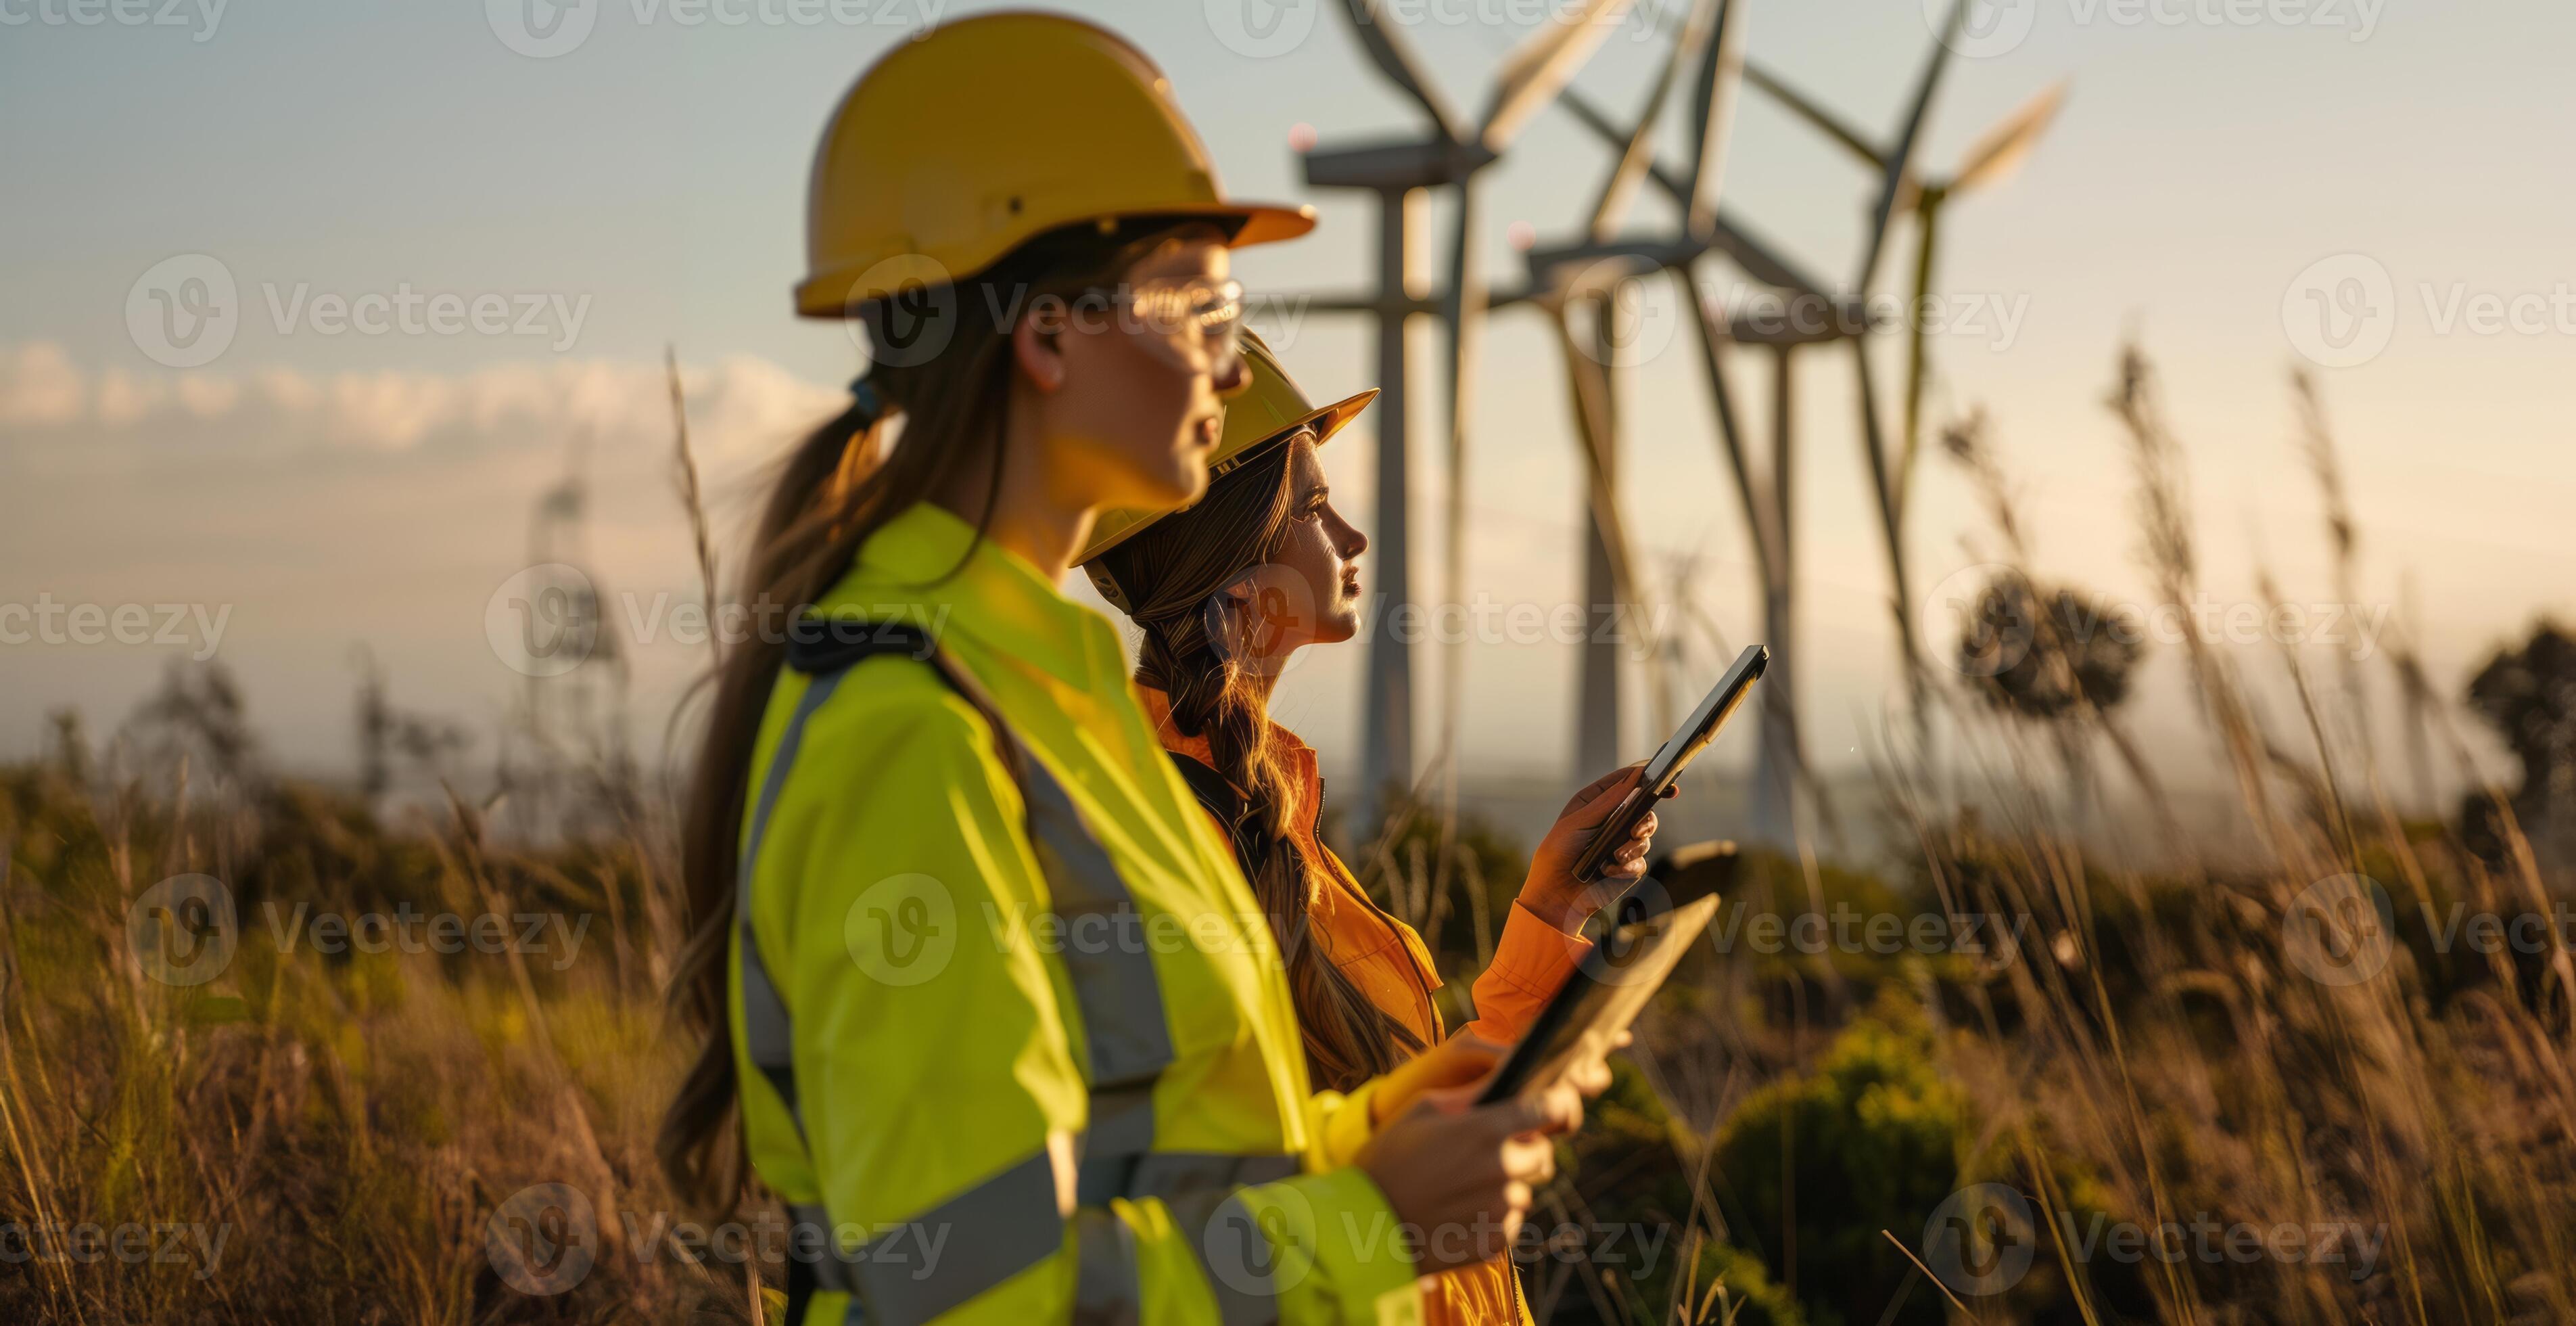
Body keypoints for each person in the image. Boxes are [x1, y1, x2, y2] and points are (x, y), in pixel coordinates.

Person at [657, 16, 1611, 1326]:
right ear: (1050, 337)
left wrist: (1408, 1130)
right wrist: (1373, 1223)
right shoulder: (913, 731)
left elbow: (1184, 1163)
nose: (1235, 360)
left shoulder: (1050, 693)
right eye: (1204, 305)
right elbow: (972, 1293)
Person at [1077, 333, 1670, 1326]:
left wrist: (1551, 907)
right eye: (1312, 509)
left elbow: (1410, 1126)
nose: (1352, 540)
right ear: (1234, 569)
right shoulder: (1160, 846)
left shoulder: (1271, 811)